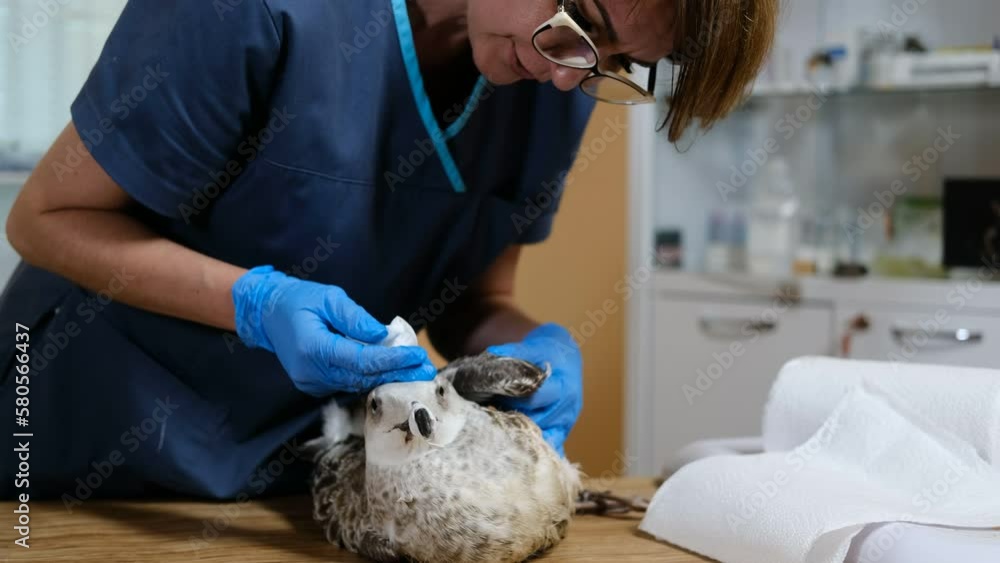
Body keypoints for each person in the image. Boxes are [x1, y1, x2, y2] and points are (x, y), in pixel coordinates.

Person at [0, 0, 775, 499]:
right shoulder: (253, 12)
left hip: (288, 478)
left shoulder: (550, 86)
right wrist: (257, 304)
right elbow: (44, 218)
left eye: (612, 62)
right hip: (83, 439)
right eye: (584, 22)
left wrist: (532, 353)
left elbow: (477, 300)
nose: (571, 73)